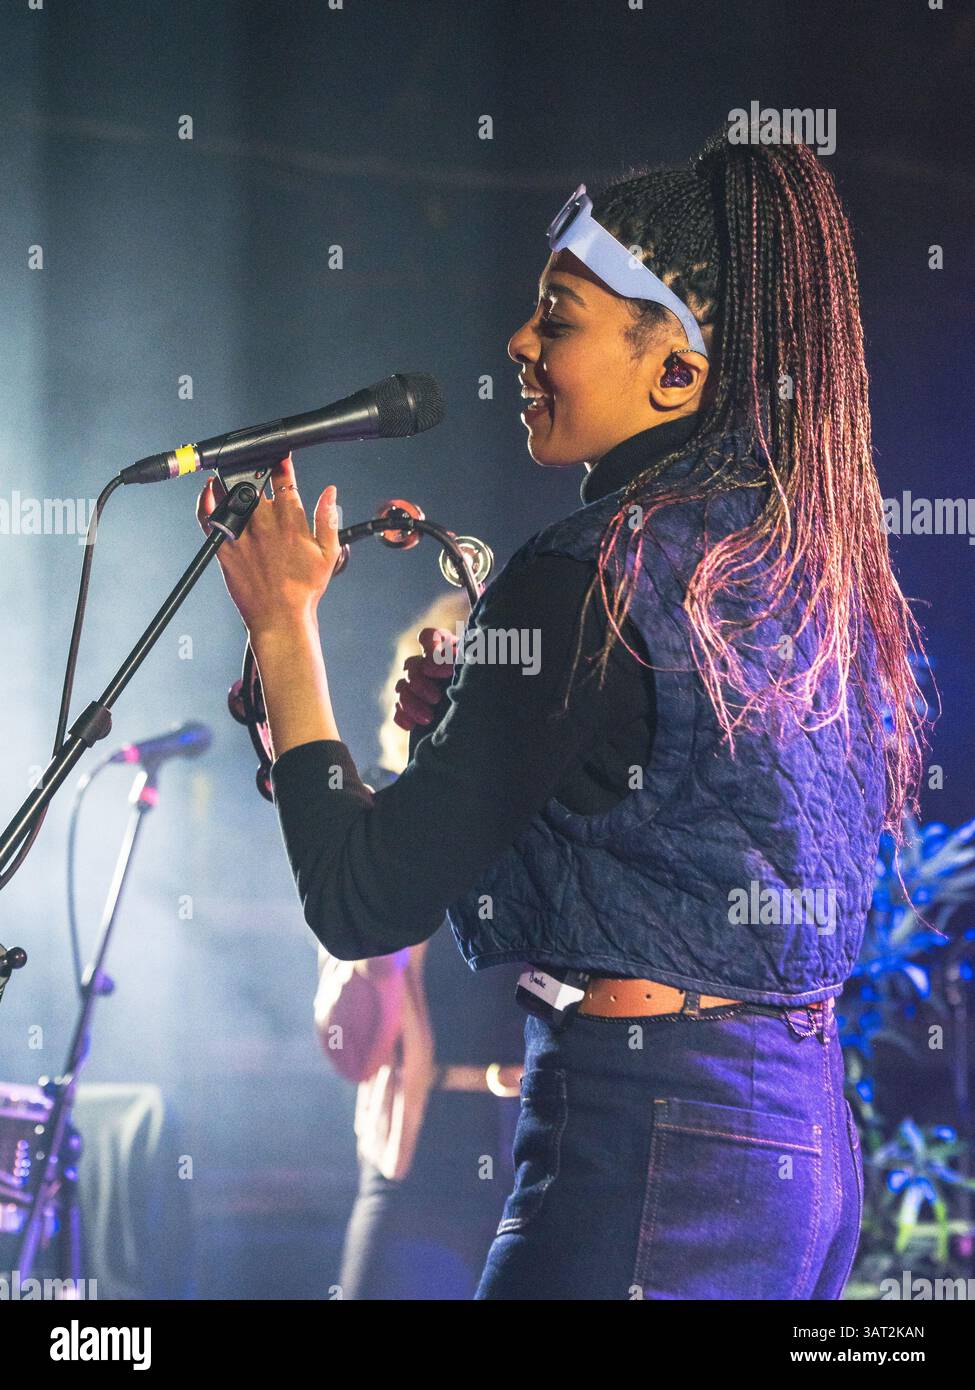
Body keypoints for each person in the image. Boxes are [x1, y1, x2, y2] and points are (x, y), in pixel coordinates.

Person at [197, 128, 926, 1299]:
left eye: (560, 317)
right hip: (800, 1142)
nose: (517, 344)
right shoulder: (794, 571)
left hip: (650, 1144)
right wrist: (495, 733)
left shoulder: (592, 570)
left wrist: (283, 627)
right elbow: (673, 830)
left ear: (675, 372)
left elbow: (362, 899)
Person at [314, 591, 524, 1300]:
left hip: (539, 1144)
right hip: (419, 1146)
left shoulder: (544, 819)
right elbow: (348, 1048)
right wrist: (380, 940)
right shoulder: (380, 811)